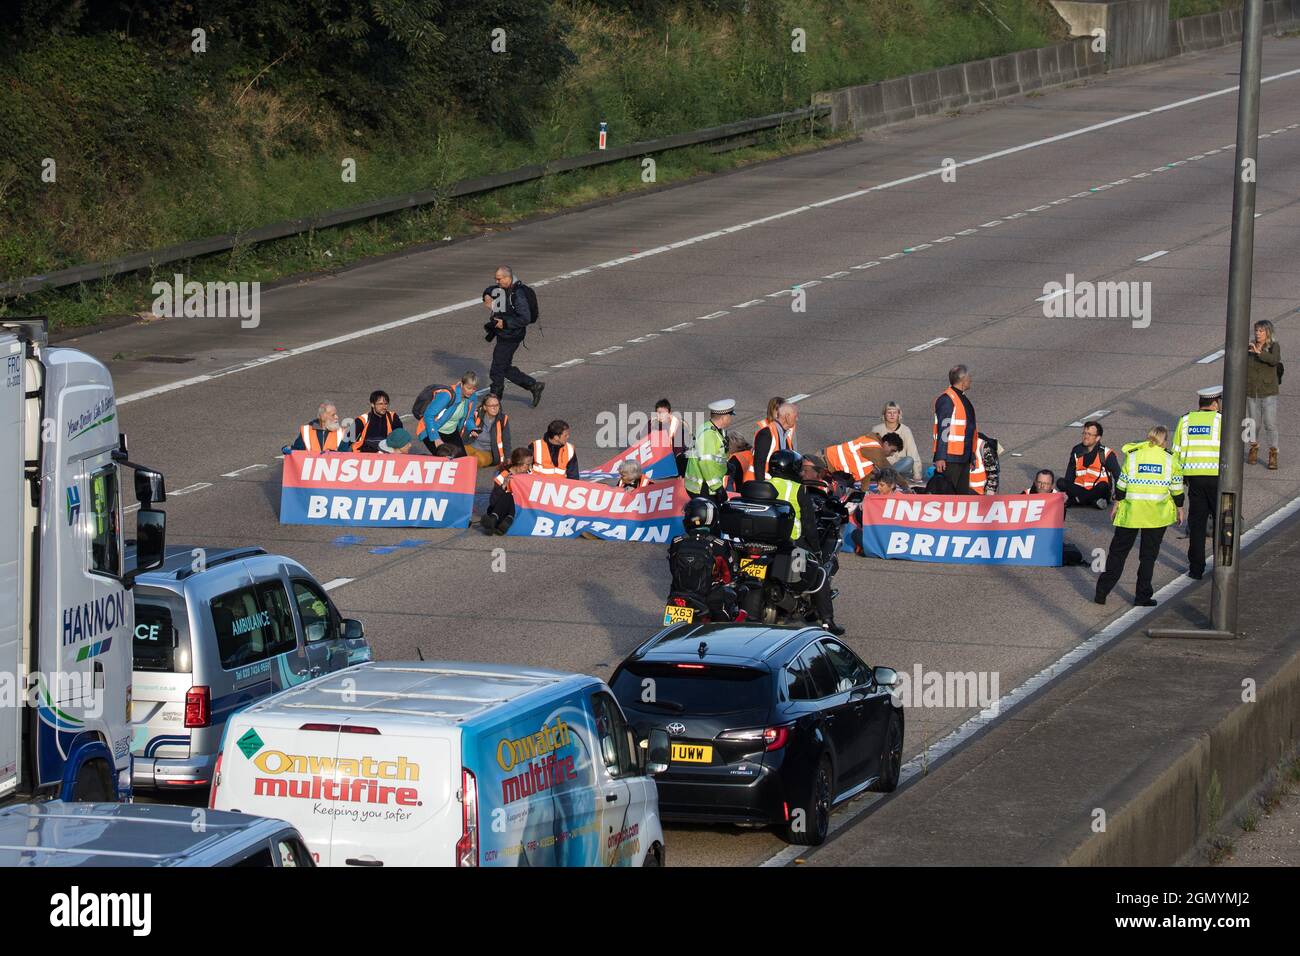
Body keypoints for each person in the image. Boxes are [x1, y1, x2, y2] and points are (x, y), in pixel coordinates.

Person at [1094, 425, 1185, 607]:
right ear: (1163, 440)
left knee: (1117, 554)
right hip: (1156, 515)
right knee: (1148, 557)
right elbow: (1176, 489)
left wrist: (1117, 504)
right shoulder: (1170, 459)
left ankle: (1102, 592)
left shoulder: (1134, 456)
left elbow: (1121, 485)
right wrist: (1180, 508)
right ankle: (1142, 596)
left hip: (1131, 513)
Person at [765, 450, 843, 635]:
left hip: (764, 540)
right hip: (792, 542)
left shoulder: (764, 485)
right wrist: (816, 550)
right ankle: (827, 621)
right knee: (821, 572)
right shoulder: (797, 489)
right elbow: (808, 523)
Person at [1172, 385, 1222, 580]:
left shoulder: (1185, 421)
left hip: (1194, 481)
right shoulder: (1221, 421)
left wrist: (1179, 480)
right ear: (1215, 403)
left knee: (1197, 524)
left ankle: (1196, 569)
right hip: (1218, 480)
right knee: (1221, 523)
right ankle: (1222, 566)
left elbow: (1176, 454)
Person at [666, 498, 741, 622]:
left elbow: (673, 568)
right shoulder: (719, 544)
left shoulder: (677, 541)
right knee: (729, 610)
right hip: (707, 596)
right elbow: (728, 576)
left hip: (678, 593)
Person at [484, 265, 545, 407]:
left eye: (499, 279)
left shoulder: (518, 295)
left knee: (497, 369)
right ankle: (533, 385)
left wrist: (504, 323)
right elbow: (490, 289)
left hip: (511, 335)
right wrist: (486, 295)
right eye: (496, 279)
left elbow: (525, 318)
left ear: (508, 278)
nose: (497, 282)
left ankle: (493, 402)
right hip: (504, 333)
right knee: (504, 367)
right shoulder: (503, 289)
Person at [932, 365, 977, 493]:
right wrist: (940, 456)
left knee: (961, 495)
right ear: (963, 379)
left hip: (963, 456)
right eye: (969, 377)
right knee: (948, 493)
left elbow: (968, 429)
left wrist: (971, 455)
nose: (971, 380)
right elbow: (944, 429)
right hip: (950, 458)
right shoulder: (947, 400)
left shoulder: (962, 398)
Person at [1056, 421, 1120, 508]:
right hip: (1080, 488)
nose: (1085, 436)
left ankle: (1076, 500)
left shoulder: (1106, 453)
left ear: (1097, 438)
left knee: (1103, 485)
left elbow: (1118, 475)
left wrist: (1117, 496)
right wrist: (1067, 489)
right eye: (1084, 433)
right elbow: (1070, 474)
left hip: (1099, 490)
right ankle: (1092, 501)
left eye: (1089, 434)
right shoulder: (1076, 450)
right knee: (1061, 482)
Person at [1246, 319, 1281, 470]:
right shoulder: (1249, 347)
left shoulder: (1273, 346)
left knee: (1270, 423)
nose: (1258, 334)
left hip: (1268, 392)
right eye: (1256, 331)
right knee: (1252, 424)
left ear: (1268, 332)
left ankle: (1273, 452)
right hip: (1251, 391)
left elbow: (1274, 360)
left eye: (1261, 331)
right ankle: (1253, 446)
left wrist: (1259, 352)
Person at [685, 400, 734, 503]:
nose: (731, 418)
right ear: (723, 417)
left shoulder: (711, 428)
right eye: (730, 415)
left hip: (705, 485)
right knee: (711, 516)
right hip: (704, 487)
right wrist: (717, 488)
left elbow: (716, 456)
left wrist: (726, 466)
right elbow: (706, 463)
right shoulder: (709, 435)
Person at [420, 372, 479, 456]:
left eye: (474, 389)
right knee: (444, 459)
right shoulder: (447, 395)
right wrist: (435, 438)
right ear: (461, 384)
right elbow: (428, 415)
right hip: (432, 430)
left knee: (461, 461)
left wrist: (473, 428)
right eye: (468, 388)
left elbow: (469, 418)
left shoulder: (472, 397)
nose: (471, 391)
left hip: (451, 432)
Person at [481, 447, 533, 535]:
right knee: (508, 495)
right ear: (518, 464)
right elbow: (493, 501)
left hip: (520, 510)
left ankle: (497, 520)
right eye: (527, 464)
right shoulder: (503, 475)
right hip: (500, 508)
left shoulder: (529, 475)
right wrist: (503, 486)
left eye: (530, 464)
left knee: (513, 496)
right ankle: (499, 520)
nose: (530, 467)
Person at [871, 402, 922, 483]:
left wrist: (917, 475)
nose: (892, 415)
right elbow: (871, 452)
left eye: (894, 412)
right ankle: (886, 476)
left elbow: (913, 452)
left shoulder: (906, 430)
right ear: (884, 414)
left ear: (899, 414)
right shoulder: (876, 429)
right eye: (889, 412)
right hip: (882, 465)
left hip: (899, 467)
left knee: (909, 460)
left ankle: (886, 476)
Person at [822, 432, 898, 485]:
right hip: (825, 465)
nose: (892, 454)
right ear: (886, 444)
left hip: (827, 458)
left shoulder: (870, 440)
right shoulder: (875, 450)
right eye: (892, 451)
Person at [464, 391, 510, 469]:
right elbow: (465, 428)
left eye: (497, 405)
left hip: (487, 452)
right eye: (491, 405)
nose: (495, 408)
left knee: (476, 461)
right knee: (457, 457)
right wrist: (471, 431)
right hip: (471, 446)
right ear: (485, 407)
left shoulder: (503, 419)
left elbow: (506, 440)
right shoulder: (476, 415)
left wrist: (508, 457)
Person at [753, 402, 798, 482]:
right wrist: (761, 486)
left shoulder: (786, 436)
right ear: (787, 417)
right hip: (765, 486)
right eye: (795, 416)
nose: (797, 419)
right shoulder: (766, 433)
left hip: (777, 485)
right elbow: (759, 462)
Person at [288, 402, 353, 453]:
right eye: (333, 415)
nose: (336, 417)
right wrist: (288, 449)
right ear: (323, 416)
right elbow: (297, 451)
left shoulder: (342, 433)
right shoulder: (306, 431)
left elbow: (346, 455)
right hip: (310, 469)